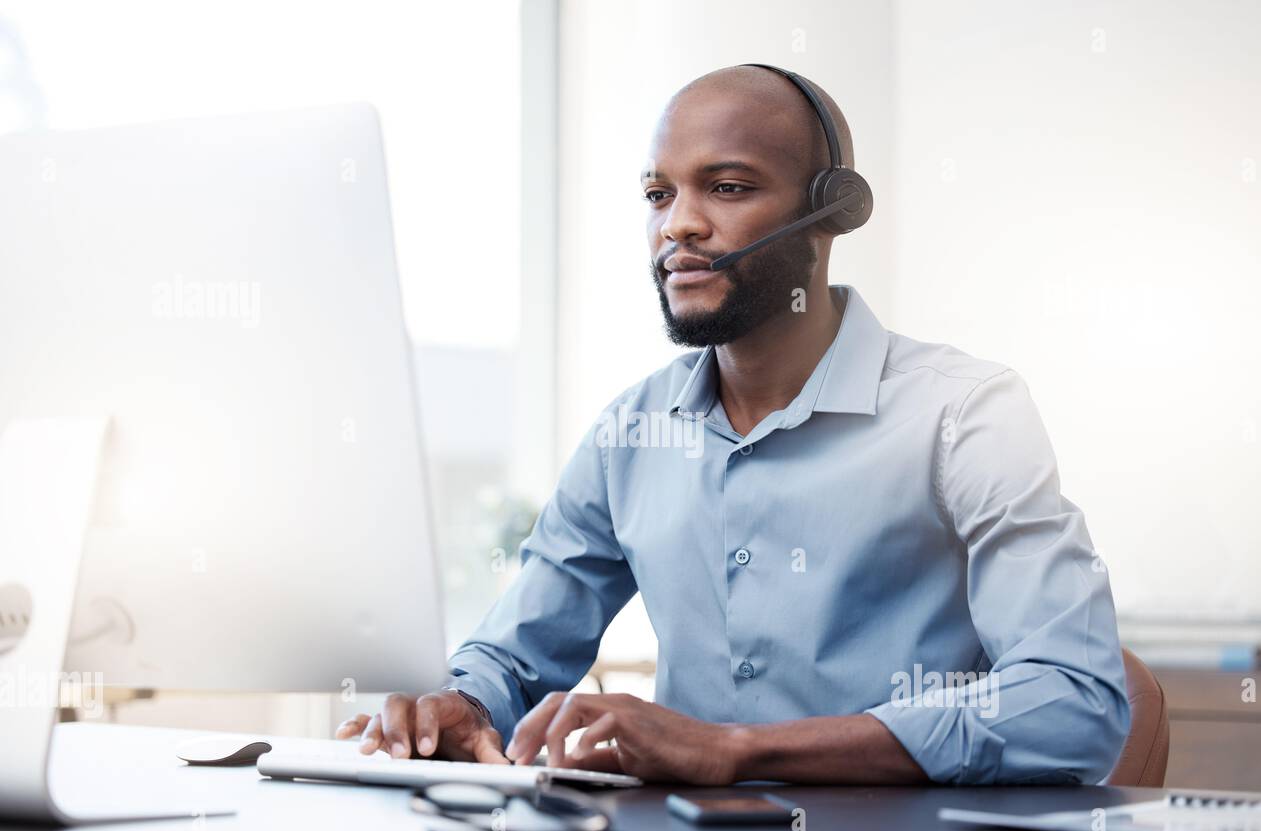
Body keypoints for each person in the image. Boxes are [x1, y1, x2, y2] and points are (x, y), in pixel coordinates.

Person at [337, 64, 1131, 785]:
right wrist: (465, 705)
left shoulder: (963, 413)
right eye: (658, 195)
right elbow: (512, 654)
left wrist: (736, 749)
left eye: (727, 187)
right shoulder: (632, 434)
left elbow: (1075, 702)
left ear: (830, 213)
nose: (677, 225)